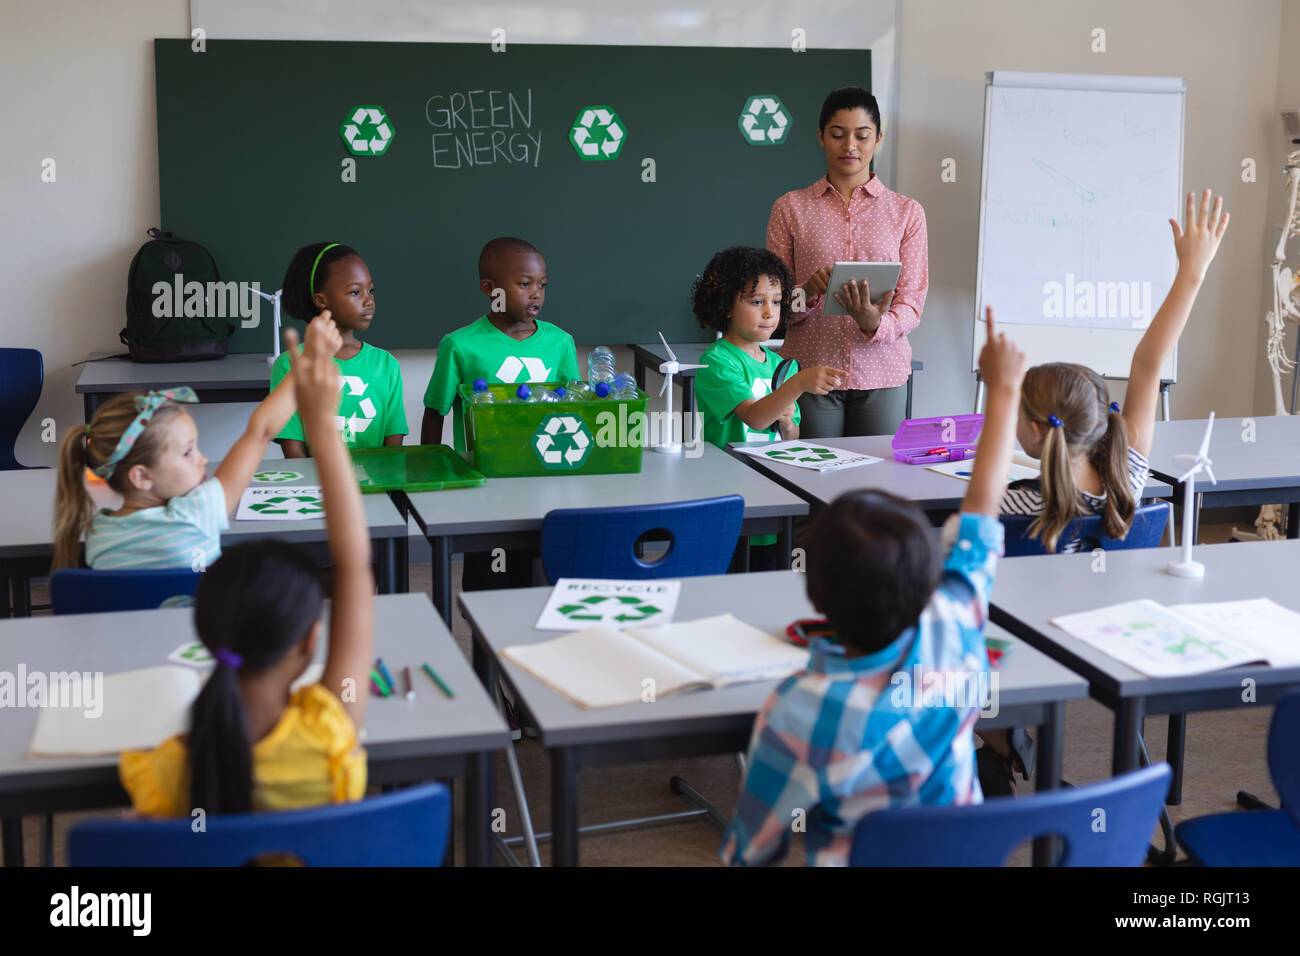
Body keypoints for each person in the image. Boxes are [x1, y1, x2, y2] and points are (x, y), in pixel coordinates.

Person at [720, 308, 1025, 866]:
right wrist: (1002, 392)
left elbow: (752, 848)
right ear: (928, 576)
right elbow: (982, 512)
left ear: (814, 599)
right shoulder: (956, 627)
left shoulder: (796, 708)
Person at [979, 189, 1229, 795]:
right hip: (1108, 636)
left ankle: (997, 747)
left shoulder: (1012, 505)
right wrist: (1192, 271)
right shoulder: (1131, 478)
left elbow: (958, 563)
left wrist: (997, 392)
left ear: (1033, 432)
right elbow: (1149, 363)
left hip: (1023, 651)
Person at [120, 311, 374, 815]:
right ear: (310, 640)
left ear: (205, 630)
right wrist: (322, 422)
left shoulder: (166, 768)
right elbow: (354, 566)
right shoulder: (329, 735)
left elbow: (352, 571)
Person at [53, 319, 341, 572]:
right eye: (188, 451)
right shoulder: (194, 515)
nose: (203, 459)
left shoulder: (99, 535)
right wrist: (310, 359)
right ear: (141, 476)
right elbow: (260, 432)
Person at [767, 86, 928, 439]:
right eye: (838, 134)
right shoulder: (790, 208)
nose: (850, 146)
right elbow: (773, 305)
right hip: (809, 370)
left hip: (882, 371)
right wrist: (806, 292)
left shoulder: (906, 213)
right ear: (821, 137)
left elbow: (912, 301)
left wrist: (876, 324)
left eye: (862, 135)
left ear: (879, 138)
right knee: (812, 478)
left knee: (874, 484)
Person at [421, 236, 579, 590]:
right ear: (489, 289)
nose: (536, 293)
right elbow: (435, 412)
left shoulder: (560, 342)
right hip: (487, 487)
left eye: (542, 285)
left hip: (547, 478)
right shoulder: (460, 344)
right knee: (490, 582)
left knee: (543, 579)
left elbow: (575, 410)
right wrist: (429, 477)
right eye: (524, 284)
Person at [691, 245, 845, 569]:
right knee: (734, 576)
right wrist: (798, 385)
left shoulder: (780, 364)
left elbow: (791, 438)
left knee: (769, 575)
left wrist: (789, 425)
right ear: (726, 306)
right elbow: (756, 418)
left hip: (774, 493)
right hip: (731, 497)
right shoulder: (717, 361)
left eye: (776, 302)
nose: (769, 313)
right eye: (756, 301)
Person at [271, 242, 407, 457]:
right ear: (321, 300)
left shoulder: (387, 365)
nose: (369, 300)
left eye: (370, 290)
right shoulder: (291, 364)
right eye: (355, 292)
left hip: (378, 487)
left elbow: (394, 448)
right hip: (317, 487)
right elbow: (293, 449)